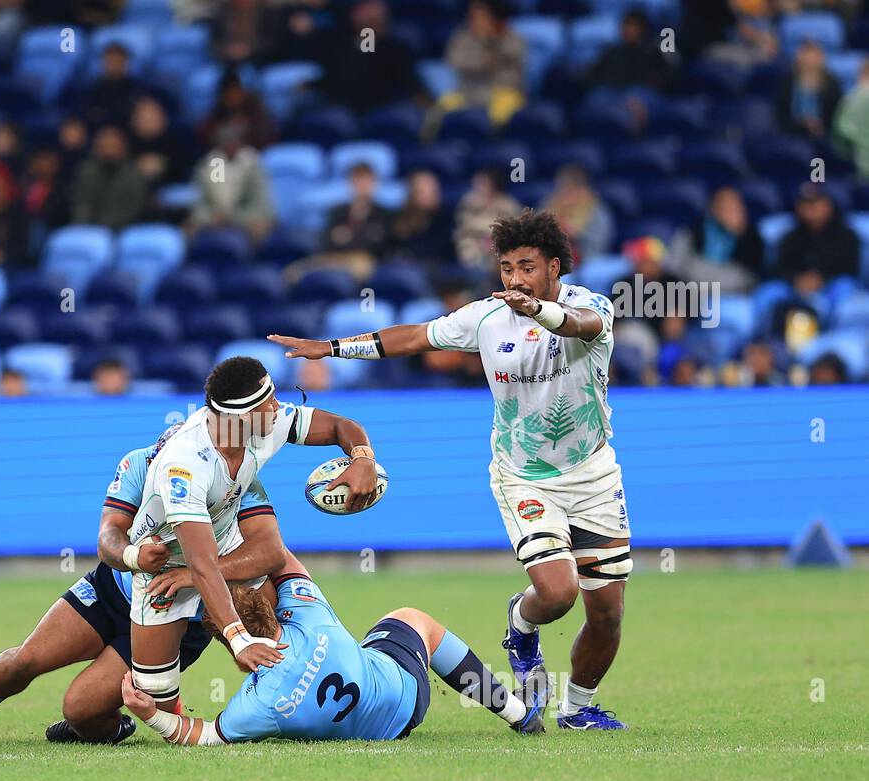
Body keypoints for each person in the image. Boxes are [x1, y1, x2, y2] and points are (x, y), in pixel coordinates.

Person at [271, 208, 633, 730]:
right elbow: (413, 337)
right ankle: (521, 623)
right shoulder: (486, 317)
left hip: (593, 475)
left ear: (555, 267)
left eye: (527, 267)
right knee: (558, 593)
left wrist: (538, 311)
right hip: (523, 475)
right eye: (506, 267)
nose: (514, 279)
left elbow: (582, 327)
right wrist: (329, 348)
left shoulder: (589, 305)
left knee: (607, 616)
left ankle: (577, 707)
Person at [0, 434, 287, 747]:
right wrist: (133, 555)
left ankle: (105, 726)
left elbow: (268, 552)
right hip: (115, 589)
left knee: (80, 710)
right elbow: (108, 538)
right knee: (26, 659)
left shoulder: (233, 476)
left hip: (171, 618)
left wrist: (195, 575)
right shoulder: (141, 462)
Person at [125, 356, 379, 717]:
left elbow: (341, 425)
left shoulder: (264, 423)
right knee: (155, 700)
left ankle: (312, 702)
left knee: (269, 635)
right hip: (166, 563)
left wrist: (363, 458)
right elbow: (200, 563)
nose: (279, 408)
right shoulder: (185, 466)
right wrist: (236, 638)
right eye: (269, 402)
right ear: (242, 417)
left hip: (223, 540)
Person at [121, 553, 547, 745]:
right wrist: (208, 571)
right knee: (415, 620)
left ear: (224, 637)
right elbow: (277, 556)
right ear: (271, 606)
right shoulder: (310, 619)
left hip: (381, 732)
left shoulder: (257, 704)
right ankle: (516, 712)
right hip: (403, 694)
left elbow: (203, 735)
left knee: (365, 649)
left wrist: (151, 715)